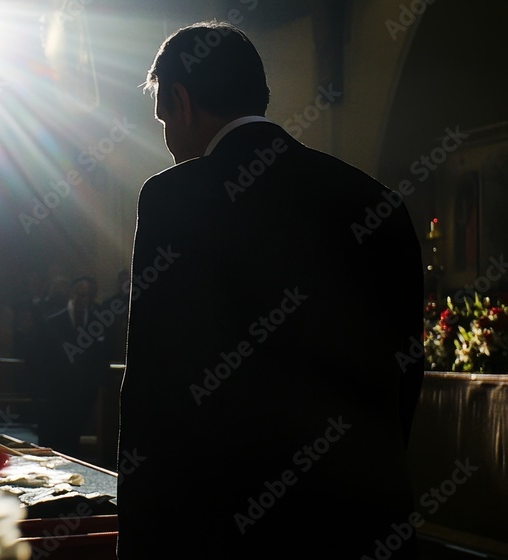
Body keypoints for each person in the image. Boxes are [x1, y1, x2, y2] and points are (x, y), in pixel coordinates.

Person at [118, 22, 424, 558]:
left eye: (164, 119)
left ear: (181, 101)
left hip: (226, 526)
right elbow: (406, 370)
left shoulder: (175, 199)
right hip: (363, 520)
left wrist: (140, 536)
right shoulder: (374, 200)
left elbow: (155, 386)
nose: (168, 143)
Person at [38, 276, 109, 458]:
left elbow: (102, 354)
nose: (82, 299)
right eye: (79, 293)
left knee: (76, 432)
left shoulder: (98, 322)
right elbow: (46, 357)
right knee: (60, 434)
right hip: (59, 389)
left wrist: (98, 381)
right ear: (71, 293)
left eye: (86, 295)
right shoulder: (54, 322)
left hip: (86, 389)